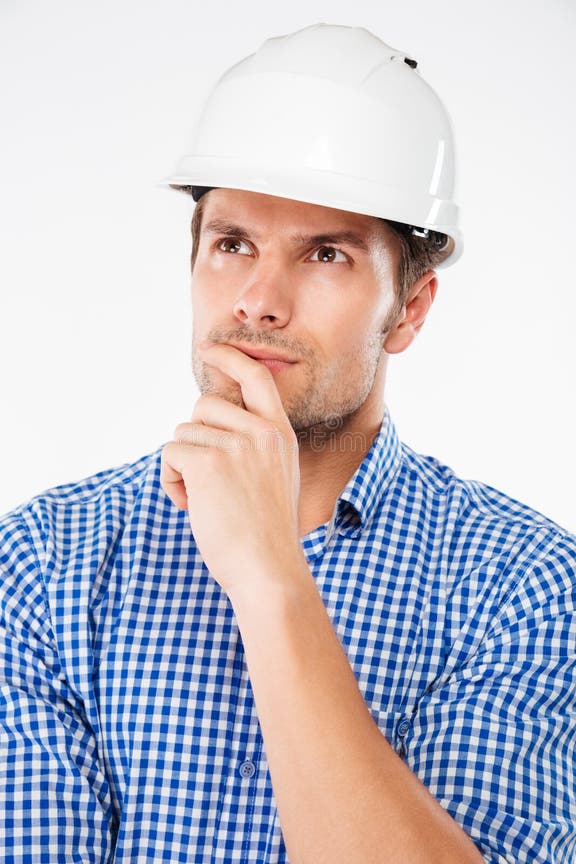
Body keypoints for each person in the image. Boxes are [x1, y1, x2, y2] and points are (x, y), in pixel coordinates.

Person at [0, 21, 574, 864]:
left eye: (327, 255)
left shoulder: (525, 586)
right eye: (232, 245)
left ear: (409, 310)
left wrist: (272, 581)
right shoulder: (44, 562)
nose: (259, 302)